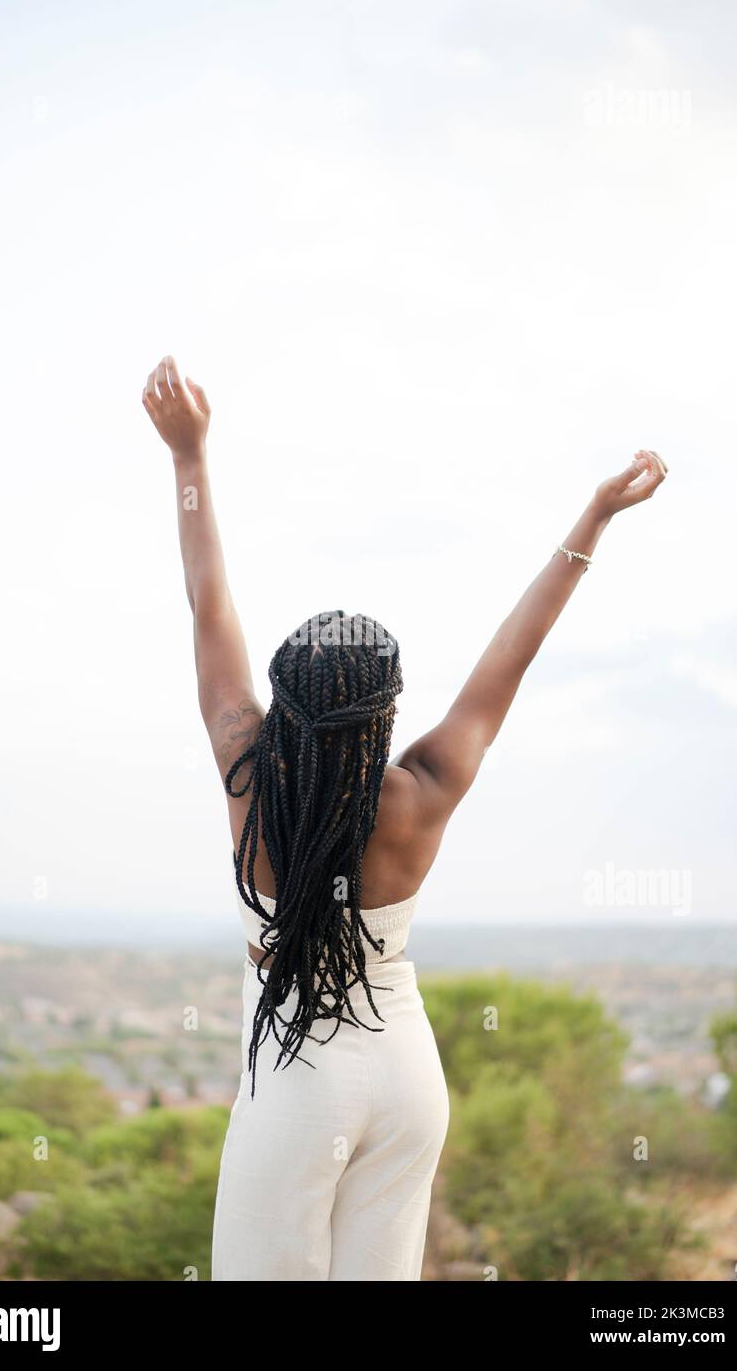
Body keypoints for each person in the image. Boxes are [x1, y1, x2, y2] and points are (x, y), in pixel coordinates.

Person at [142, 354, 669, 1281]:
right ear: (385, 716)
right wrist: (593, 518)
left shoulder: (249, 780)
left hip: (299, 1084)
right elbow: (517, 651)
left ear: (282, 706)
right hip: (407, 1077)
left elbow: (206, 603)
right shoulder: (425, 787)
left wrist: (190, 458)